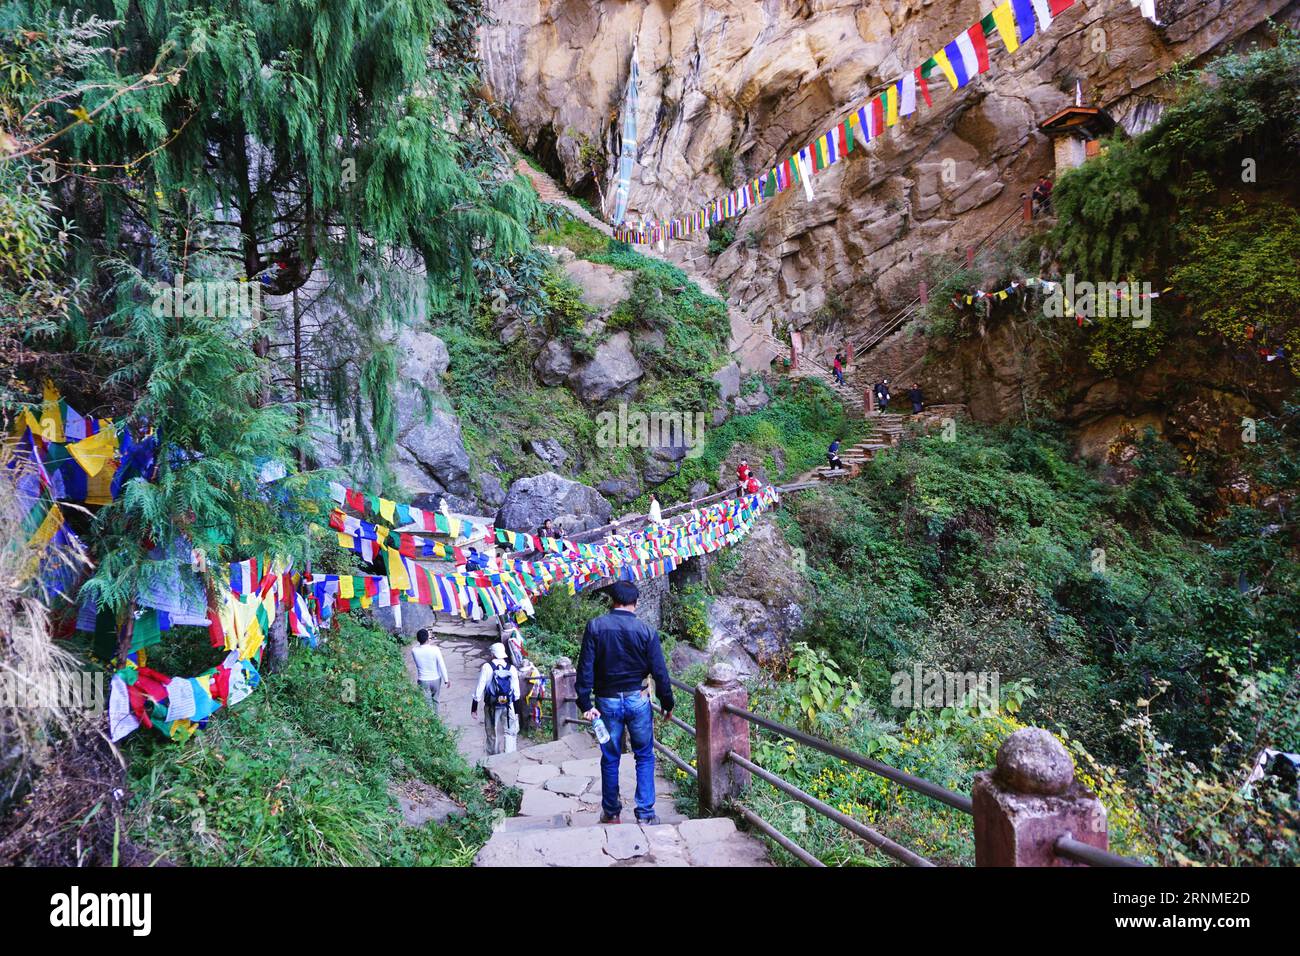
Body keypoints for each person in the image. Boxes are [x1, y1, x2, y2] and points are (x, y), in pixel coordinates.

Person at [576, 581, 674, 825]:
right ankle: (645, 814)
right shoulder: (646, 631)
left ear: (613, 601)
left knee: (610, 756)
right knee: (644, 755)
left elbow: (585, 667)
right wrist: (667, 702)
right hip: (638, 699)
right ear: (636, 603)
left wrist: (585, 703)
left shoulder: (596, 627)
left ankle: (611, 813)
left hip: (606, 701)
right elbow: (659, 671)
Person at [472, 642, 521, 755]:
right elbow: (516, 693)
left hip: (491, 705)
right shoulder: (511, 668)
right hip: (508, 705)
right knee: (510, 732)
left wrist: (474, 708)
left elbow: (479, 689)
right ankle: (510, 756)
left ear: (492, 654)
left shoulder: (486, 667)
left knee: (492, 732)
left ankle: (493, 758)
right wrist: (516, 711)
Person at [411, 628, 449, 710]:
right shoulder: (435, 649)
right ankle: (436, 719)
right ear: (428, 638)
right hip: (436, 679)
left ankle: (429, 721)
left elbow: (418, 645)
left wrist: (425, 639)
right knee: (435, 701)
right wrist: (446, 679)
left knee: (427, 704)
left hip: (423, 680)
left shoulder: (414, 650)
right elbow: (442, 665)